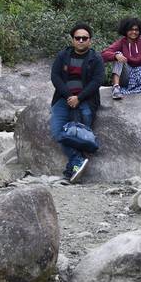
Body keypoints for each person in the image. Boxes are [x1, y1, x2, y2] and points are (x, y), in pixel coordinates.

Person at [49, 23, 103, 183]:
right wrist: (69, 96)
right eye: (77, 38)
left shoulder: (96, 58)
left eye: (84, 38)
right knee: (57, 131)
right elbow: (55, 77)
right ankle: (77, 161)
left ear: (90, 41)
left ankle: (71, 168)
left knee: (79, 134)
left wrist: (79, 98)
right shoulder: (63, 56)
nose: (80, 40)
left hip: (86, 101)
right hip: (63, 99)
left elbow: (97, 81)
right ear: (72, 40)